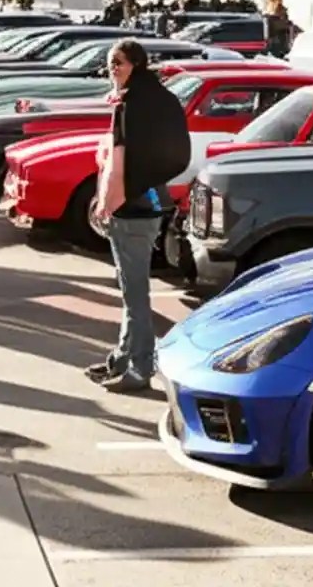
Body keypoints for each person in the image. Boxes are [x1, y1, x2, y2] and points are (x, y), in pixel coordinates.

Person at [85, 39, 191, 393]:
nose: (113, 69)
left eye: (119, 62)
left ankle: (141, 367)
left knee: (135, 294)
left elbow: (119, 162)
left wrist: (107, 202)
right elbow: (177, 154)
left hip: (131, 208)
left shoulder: (130, 106)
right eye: (110, 63)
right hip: (150, 201)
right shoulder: (161, 99)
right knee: (132, 289)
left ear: (136, 65)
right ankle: (123, 356)